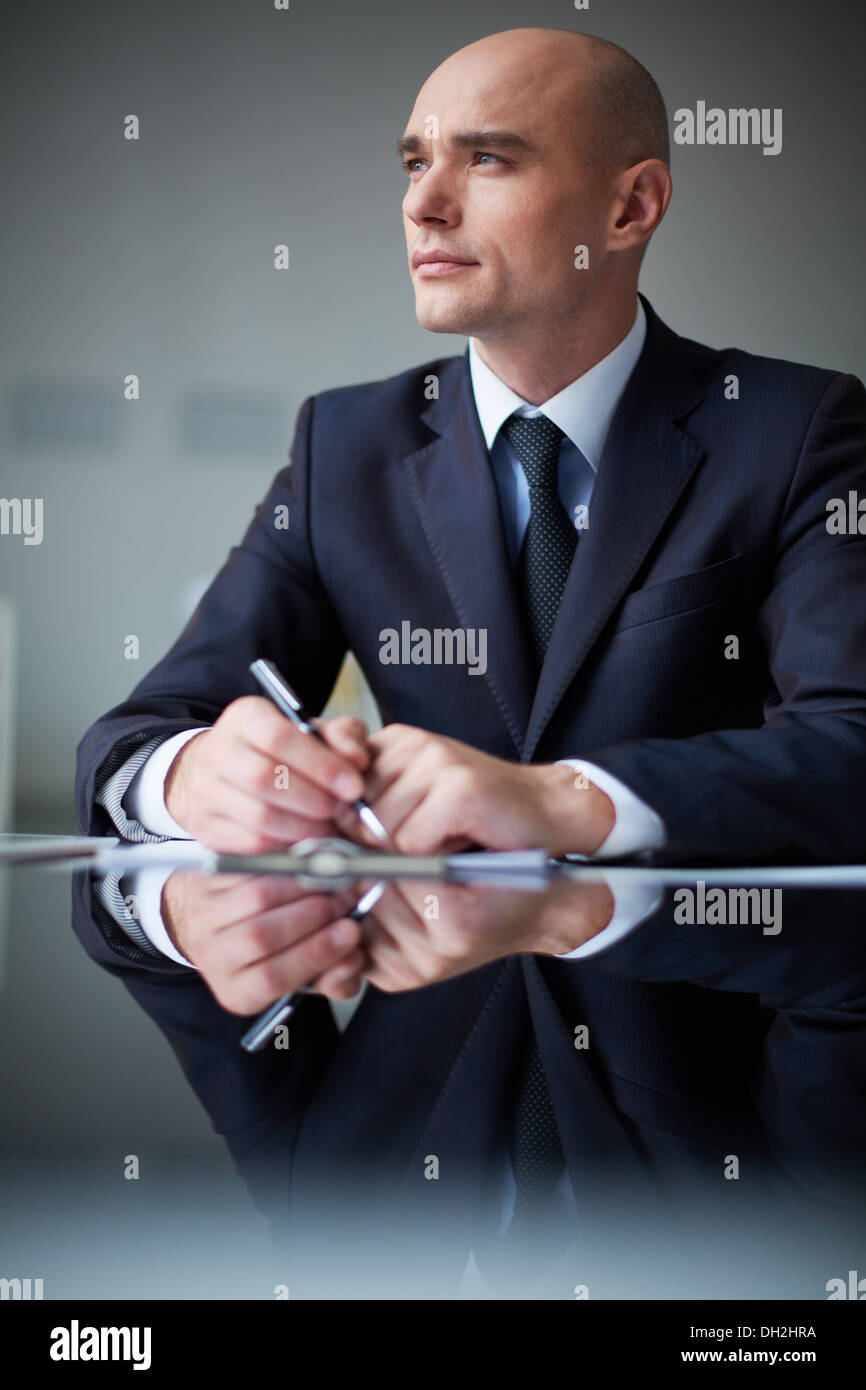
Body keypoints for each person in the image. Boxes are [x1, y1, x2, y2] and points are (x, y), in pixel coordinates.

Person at [75, 28, 866, 1298]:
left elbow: (854, 746)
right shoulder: (345, 443)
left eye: (484, 158)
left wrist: (557, 799)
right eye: (411, 160)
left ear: (630, 202)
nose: (419, 202)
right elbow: (136, 732)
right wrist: (190, 778)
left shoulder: (794, 429)